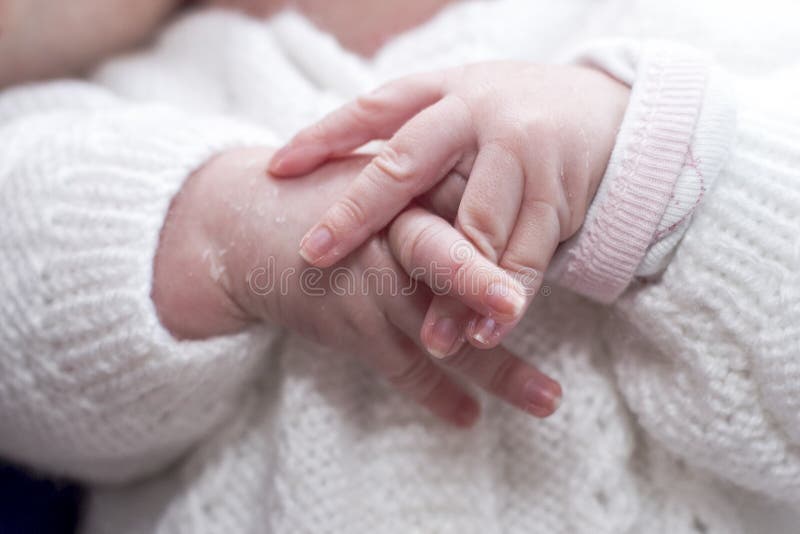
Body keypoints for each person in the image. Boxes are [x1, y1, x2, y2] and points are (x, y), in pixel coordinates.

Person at [0, 0, 798, 532]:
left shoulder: (733, 29)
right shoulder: (139, 81)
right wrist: (217, 229)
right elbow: (25, 327)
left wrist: (648, 163)